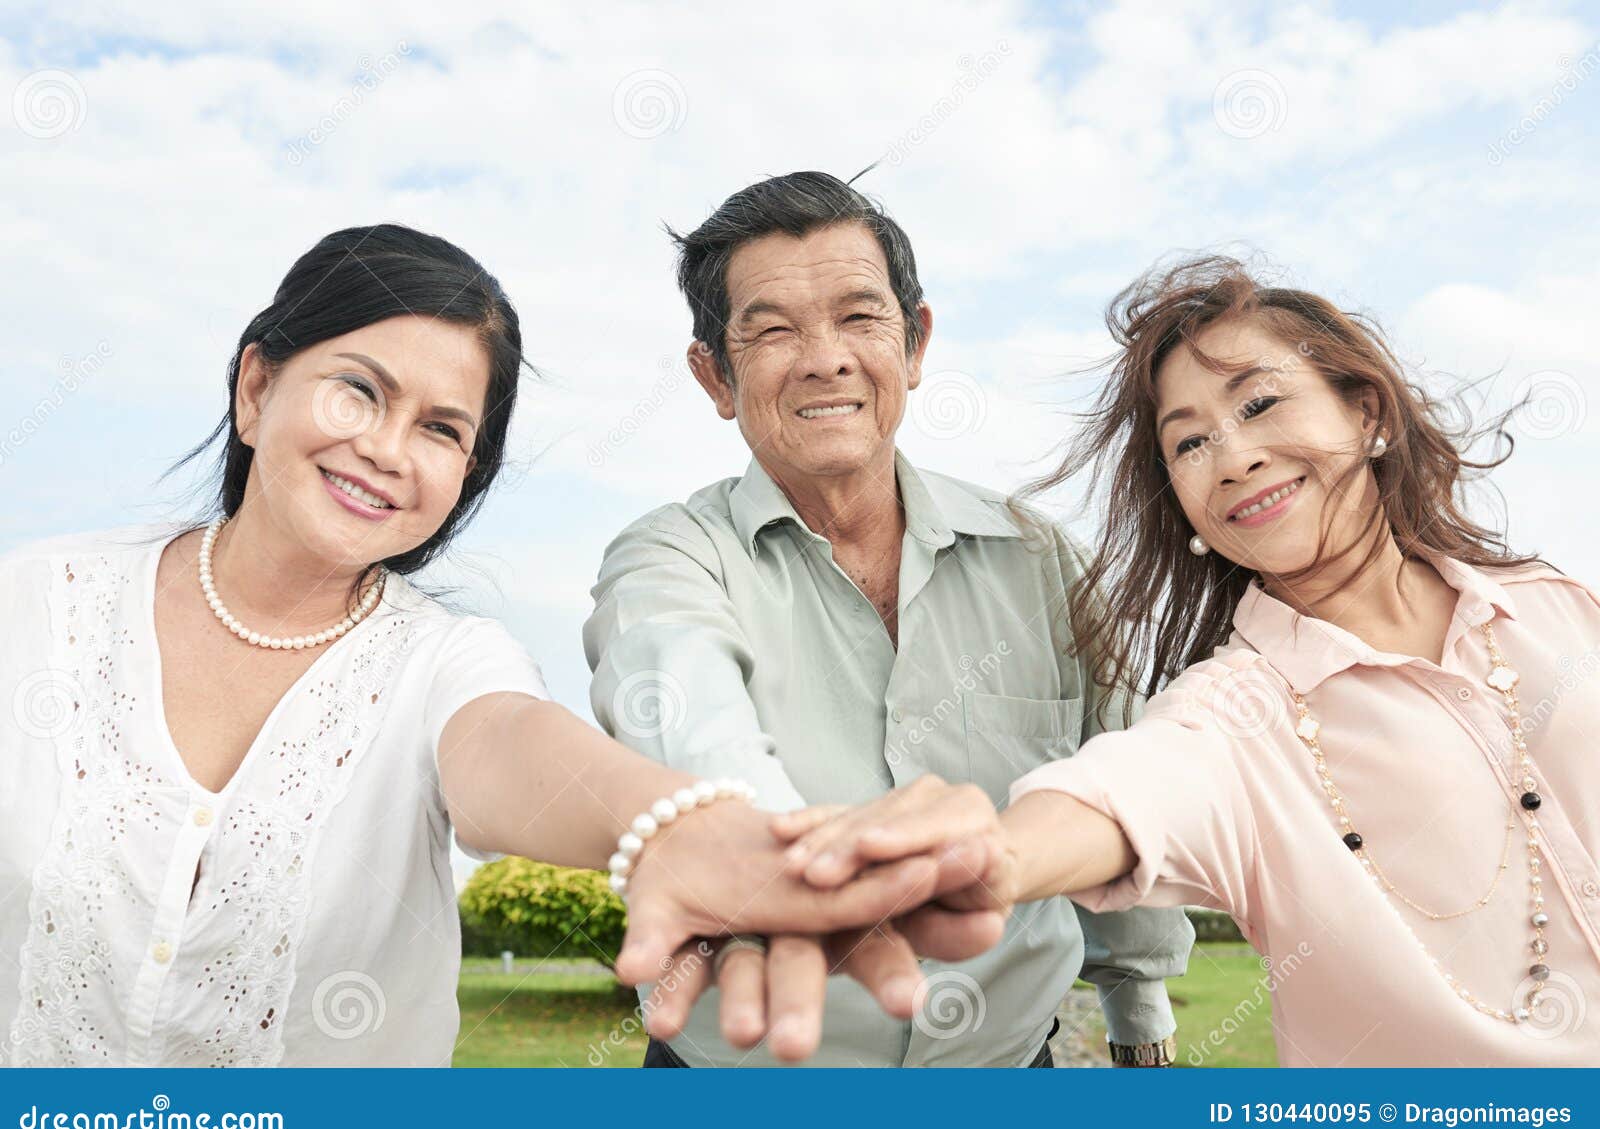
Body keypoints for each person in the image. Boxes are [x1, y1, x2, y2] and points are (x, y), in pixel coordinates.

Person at [0, 224, 998, 1067]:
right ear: (257, 388)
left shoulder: (446, 663)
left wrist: (677, 825)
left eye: (441, 429)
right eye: (359, 391)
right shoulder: (33, 600)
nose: (388, 450)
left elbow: (514, 750)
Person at [776, 255, 1600, 1065]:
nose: (1234, 457)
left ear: (1367, 413)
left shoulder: (1559, 605)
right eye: (1192, 442)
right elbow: (1126, 792)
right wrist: (991, 855)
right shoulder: (1234, 721)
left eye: (1261, 403)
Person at [584, 172, 1194, 1068]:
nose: (825, 357)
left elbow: (1116, 769)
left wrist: (1139, 1012)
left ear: (914, 344)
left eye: (859, 317)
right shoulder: (668, 559)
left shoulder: (1039, 556)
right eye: (773, 328)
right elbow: (686, 710)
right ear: (715, 373)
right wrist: (781, 878)